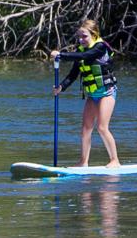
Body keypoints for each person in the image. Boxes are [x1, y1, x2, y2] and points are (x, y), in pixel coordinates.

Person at [51, 20, 120, 167]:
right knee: (85, 129)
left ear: (94, 34)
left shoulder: (100, 47)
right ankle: (83, 162)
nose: (81, 40)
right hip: (92, 94)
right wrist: (61, 87)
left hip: (107, 92)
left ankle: (115, 160)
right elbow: (73, 74)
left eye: (85, 36)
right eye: (79, 37)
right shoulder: (81, 51)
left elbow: (87, 56)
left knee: (102, 127)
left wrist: (61, 55)